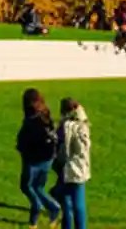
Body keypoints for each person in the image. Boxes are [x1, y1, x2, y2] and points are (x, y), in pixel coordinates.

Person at [16, 88, 61, 229]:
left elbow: (23, 142)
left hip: (33, 161)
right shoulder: (45, 114)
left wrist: (21, 148)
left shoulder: (30, 122)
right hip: (47, 159)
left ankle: (44, 206)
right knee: (38, 187)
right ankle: (34, 222)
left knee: (26, 187)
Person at [54, 98, 91, 229]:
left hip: (68, 167)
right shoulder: (83, 123)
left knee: (71, 203)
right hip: (80, 168)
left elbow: (59, 144)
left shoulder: (67, 126)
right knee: (75, 202)